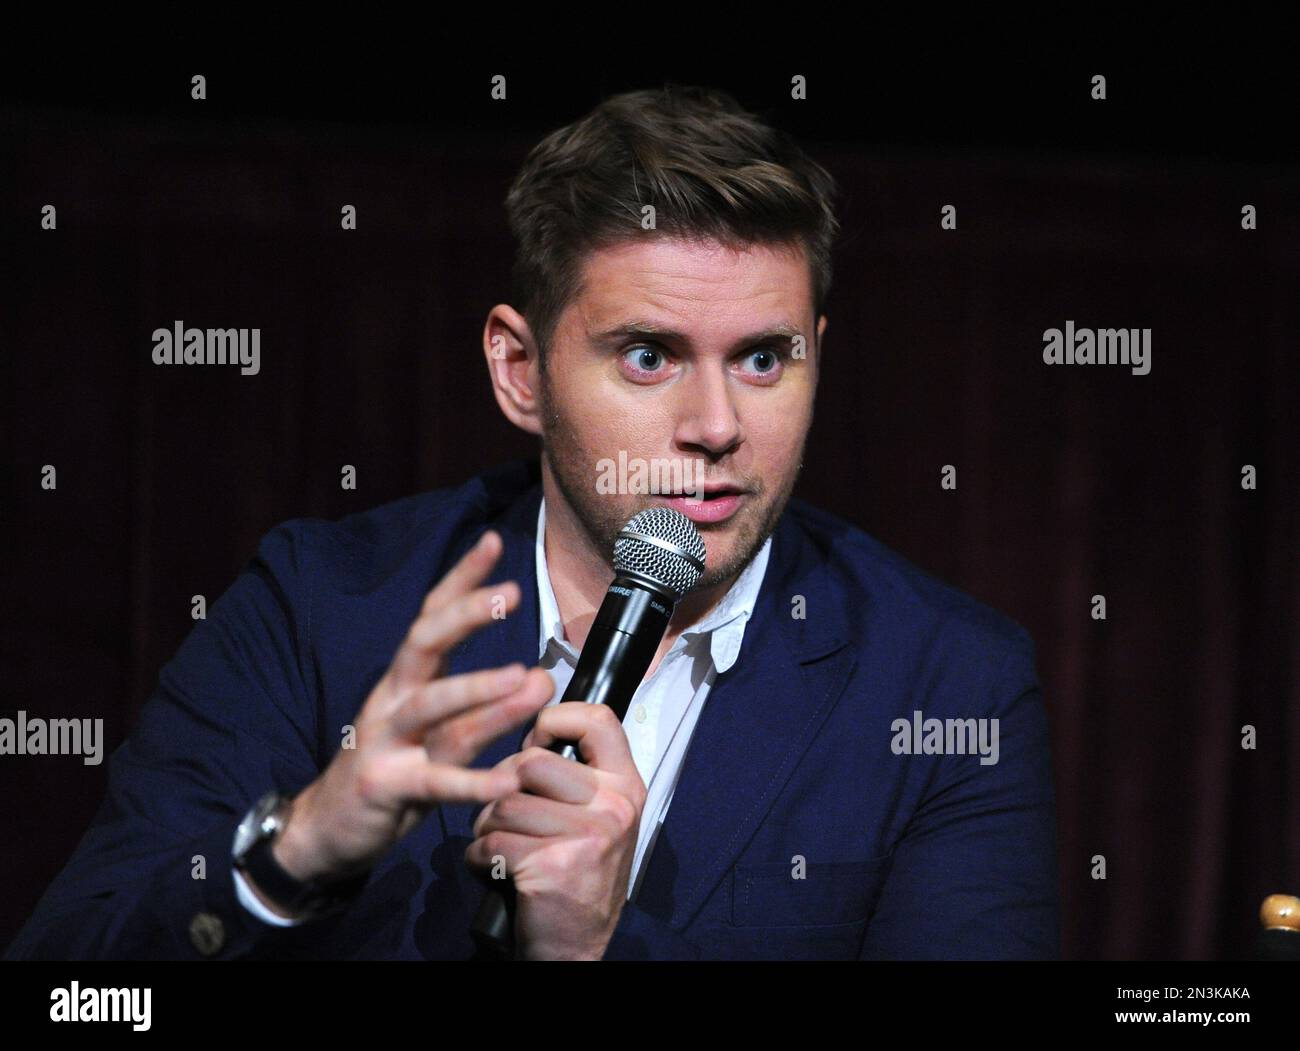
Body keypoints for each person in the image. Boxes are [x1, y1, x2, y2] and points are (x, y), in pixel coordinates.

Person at [5, 85, 1058, 961]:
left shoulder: (947, 682)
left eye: (762, 357)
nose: (715, 425)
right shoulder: (321, 605)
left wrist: (597, 952)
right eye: (648, 355)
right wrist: (294, 853)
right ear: (520, 370)